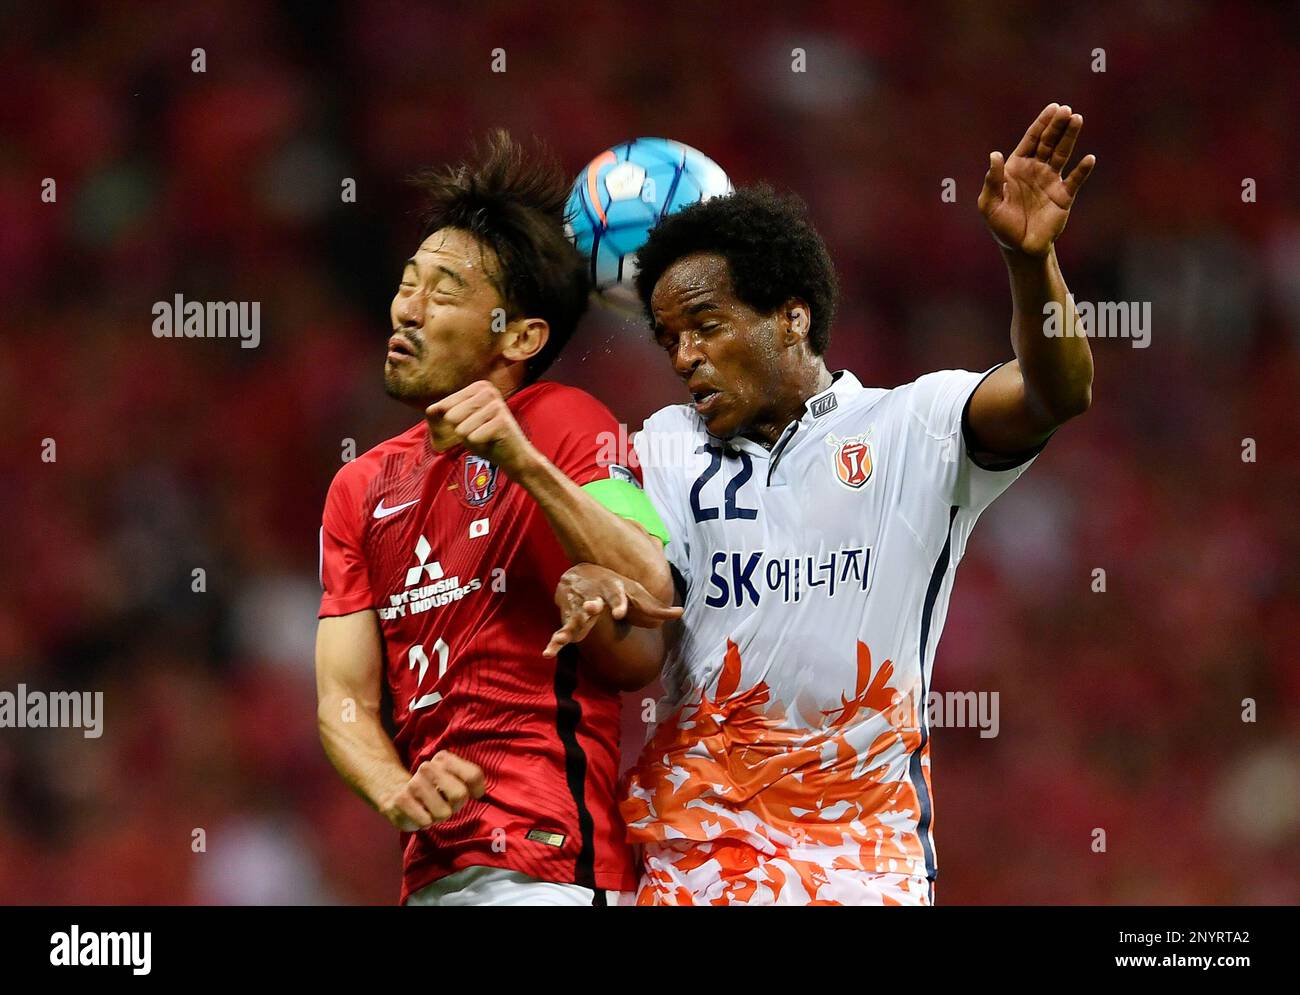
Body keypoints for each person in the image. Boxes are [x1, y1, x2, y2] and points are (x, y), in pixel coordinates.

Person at [545, 103, 1097, 905]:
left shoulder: (917, 425)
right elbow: (637, 645)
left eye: (705, 325)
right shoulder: (664, 443)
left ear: (791, 316)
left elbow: (1060, 389)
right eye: (668, 340)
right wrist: (593, 592)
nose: (685, 356)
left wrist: (1028, 261)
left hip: (862, 863)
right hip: (694, 863)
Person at [315, 130, 673, 906]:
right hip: (433, 880)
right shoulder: (359, 487)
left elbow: (652, 602)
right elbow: (341, 695)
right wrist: (394, 788)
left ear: (520, 335)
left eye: (443, 292)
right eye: (408, 282)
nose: (407, 307)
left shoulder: (573, 423)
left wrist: (524, 462)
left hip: (551, 869)